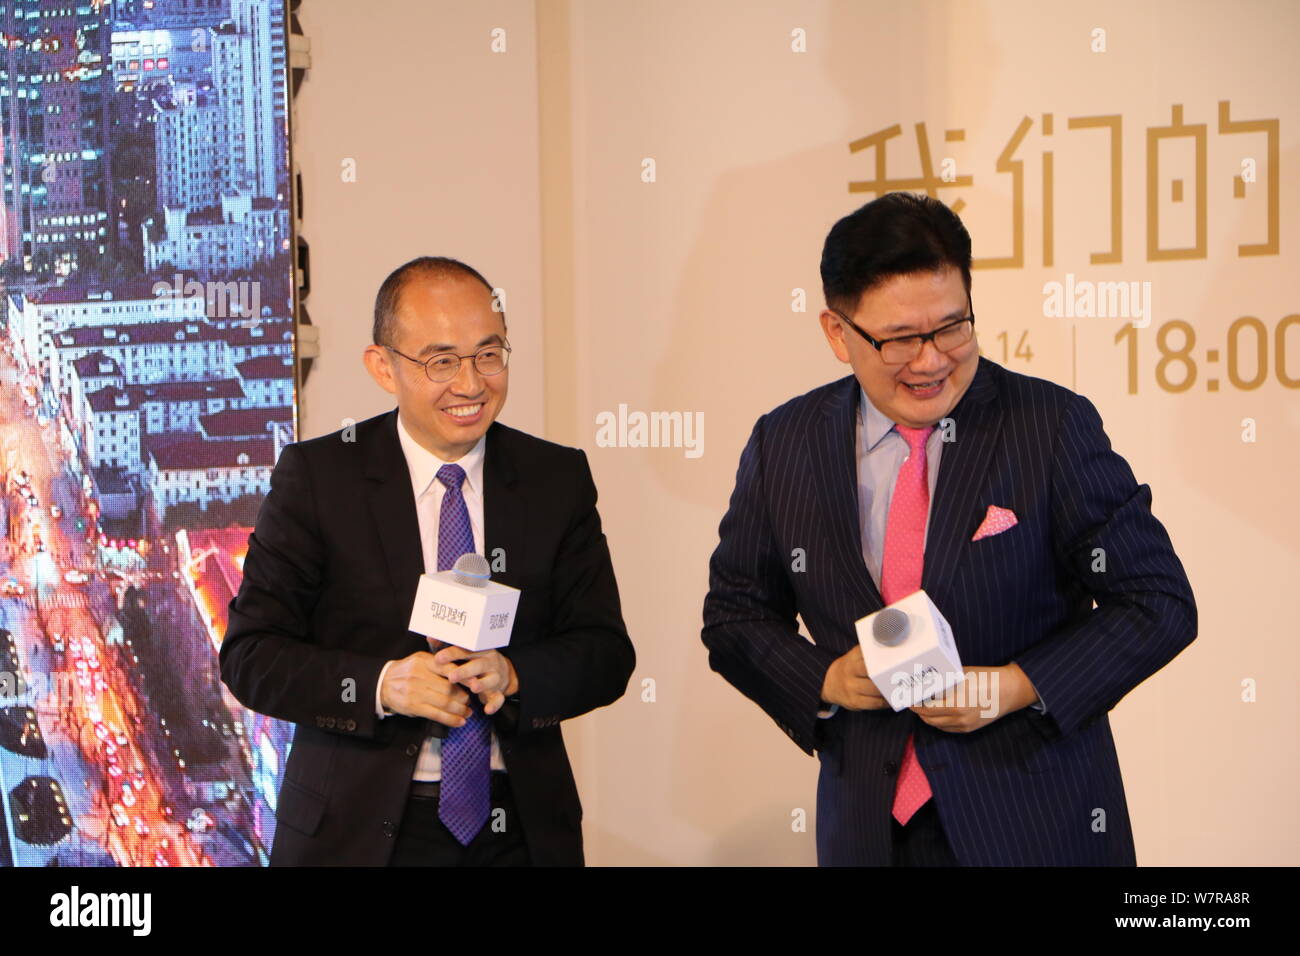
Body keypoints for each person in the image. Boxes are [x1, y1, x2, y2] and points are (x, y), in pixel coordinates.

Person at [701, 193, 1196, 866]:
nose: (932, 361)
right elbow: (734, 616)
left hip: (1035, 825)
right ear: (836, 333)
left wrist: (1016, 686)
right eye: (901, 338)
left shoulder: (1047, 426)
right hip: (871, 832)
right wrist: (827, 679)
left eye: (952, 327)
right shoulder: (784, 443)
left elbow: (1158, 601)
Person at [221, 256, 634, 866]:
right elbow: (251, 655)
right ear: (382, 367)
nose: (470, 384)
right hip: (357, 833)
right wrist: (383, 685)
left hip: (517, 829)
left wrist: (514, 675)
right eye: (441, 361)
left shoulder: (556, 479)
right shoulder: (319, 478)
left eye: (488, 355)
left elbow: (605, 653)